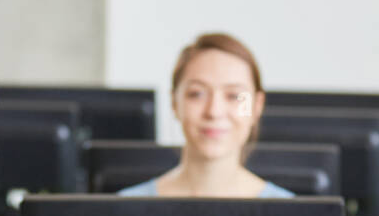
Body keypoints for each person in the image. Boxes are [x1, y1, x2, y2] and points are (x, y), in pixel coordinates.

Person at [119, 32, 293, 199]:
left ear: (256, 106)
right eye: (197, 94)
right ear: (174, 103)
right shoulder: (124, 205)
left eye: (234, 96)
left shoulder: (292, 213)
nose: (214, 112)